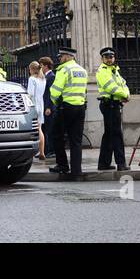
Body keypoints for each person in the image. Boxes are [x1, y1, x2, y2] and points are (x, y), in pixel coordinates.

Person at [49, 45, 88, 180]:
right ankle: (77, 171)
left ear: (66, 56)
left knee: (56, 136)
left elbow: (55, 91)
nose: (59, 59)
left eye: (61, 57)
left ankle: (62, 165)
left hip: (65, 108)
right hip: (80, 107)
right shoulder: (82, 70)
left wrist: (55, 103)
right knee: (76, 140)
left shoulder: (64, 70)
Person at [95, 47, 130, 171]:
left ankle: (103, 163)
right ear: (102, 58)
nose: (109, 59)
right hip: (109, 104)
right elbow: (111, 87)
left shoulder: (115, 70)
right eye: (106, 57)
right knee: (116, 134)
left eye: (111, 57)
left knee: (109, 134)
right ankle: (121, 164)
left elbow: (123, 84)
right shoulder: (103, 71)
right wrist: (124, 95)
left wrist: (126, 94)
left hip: (114, 104)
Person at [26, 61, 47, 159]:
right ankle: (41, 151)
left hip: (34, 105)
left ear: (32, 69)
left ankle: (37, 151)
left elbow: (30, 94)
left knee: (34, 130)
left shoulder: (32, 79)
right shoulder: (43, 79)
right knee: (40, 129)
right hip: (41, 104)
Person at [38, 55, 57, 157]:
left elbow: (51, 93)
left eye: (41, 66)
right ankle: (44, 150)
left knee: (49, 130)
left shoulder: (51, 77)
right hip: (44, 106)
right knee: (44, 129)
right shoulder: (45, 77)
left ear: (46, 66)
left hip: (48, 108)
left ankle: (51, 150)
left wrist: (49, 107)